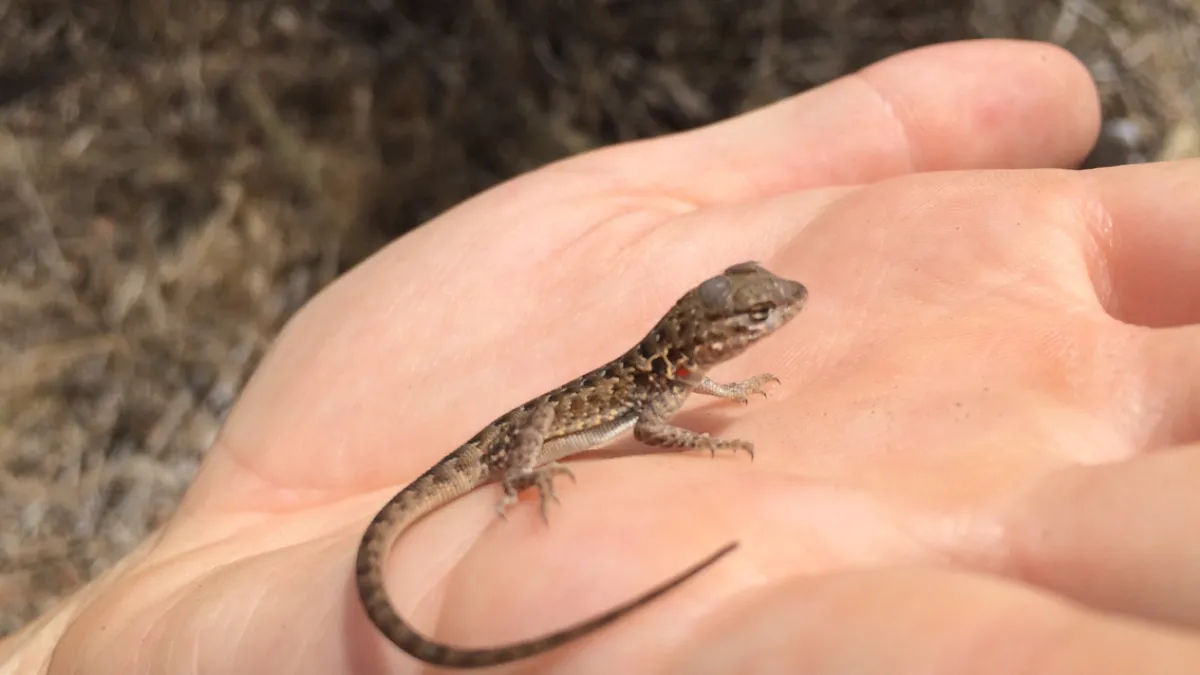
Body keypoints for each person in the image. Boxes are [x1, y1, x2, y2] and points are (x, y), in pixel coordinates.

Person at [6, 38, 1200, 674]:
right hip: (506, 443)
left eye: (766, 312)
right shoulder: (646, 392)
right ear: (707, 331)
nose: (776, 312)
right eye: (756, 315)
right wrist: (531, 470)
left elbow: (663, 402)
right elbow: (644, 423)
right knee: (537, 450)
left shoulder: (665, 368)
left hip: (557, 414)